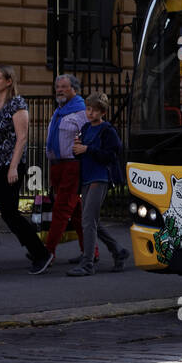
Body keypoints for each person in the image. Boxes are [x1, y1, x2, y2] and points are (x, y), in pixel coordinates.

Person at [0, 65, 48, 275]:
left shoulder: (17, 104)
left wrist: (13, 167)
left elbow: (22, 138)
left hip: (7, 167)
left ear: (8, 81)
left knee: (10, 214)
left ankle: (41, 253)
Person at [68, 93, 130, 276]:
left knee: (88, 220)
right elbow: (80, 153)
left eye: (94, 110)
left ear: (102, 111)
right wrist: (77, 149)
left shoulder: (107, 130)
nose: (90, 112)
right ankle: (118, 251)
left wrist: (87, 149)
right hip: (86, 177)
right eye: (88, 109)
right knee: (92, 220)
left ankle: (87, 263)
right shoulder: (86, 128)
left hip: (100, 177)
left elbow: (111, 155)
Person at [44, 73, 87, 265]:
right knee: (76, 211)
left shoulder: (81, 111)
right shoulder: (59, 111)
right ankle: (90, 251)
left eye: (63, 87)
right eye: (57, 87)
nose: (59, 90)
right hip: (57, 165)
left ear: (74, 89)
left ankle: (47, 252)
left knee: (61, 208)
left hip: (71, 165)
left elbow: (88, 138)